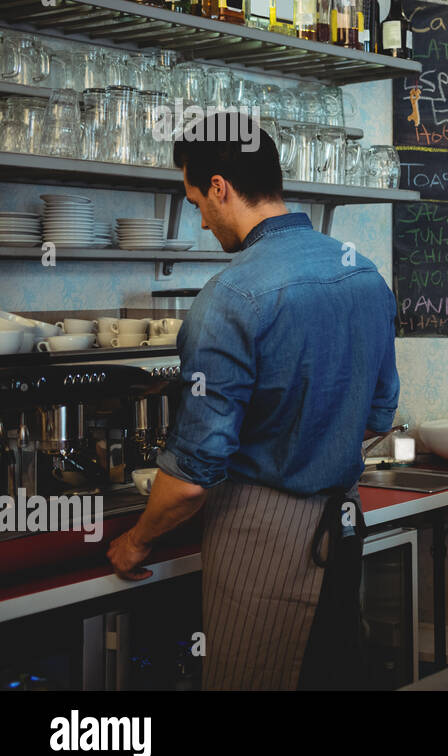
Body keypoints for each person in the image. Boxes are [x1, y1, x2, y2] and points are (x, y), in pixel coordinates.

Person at [106, 112, 400, 690]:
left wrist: (136, 540)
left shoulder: (230, 297)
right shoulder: (363, 273)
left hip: (263, 539)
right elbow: (377, 415)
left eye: (196, 203)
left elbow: (191, 479)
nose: (202, 219)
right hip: (342, 529)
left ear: (219, 187)